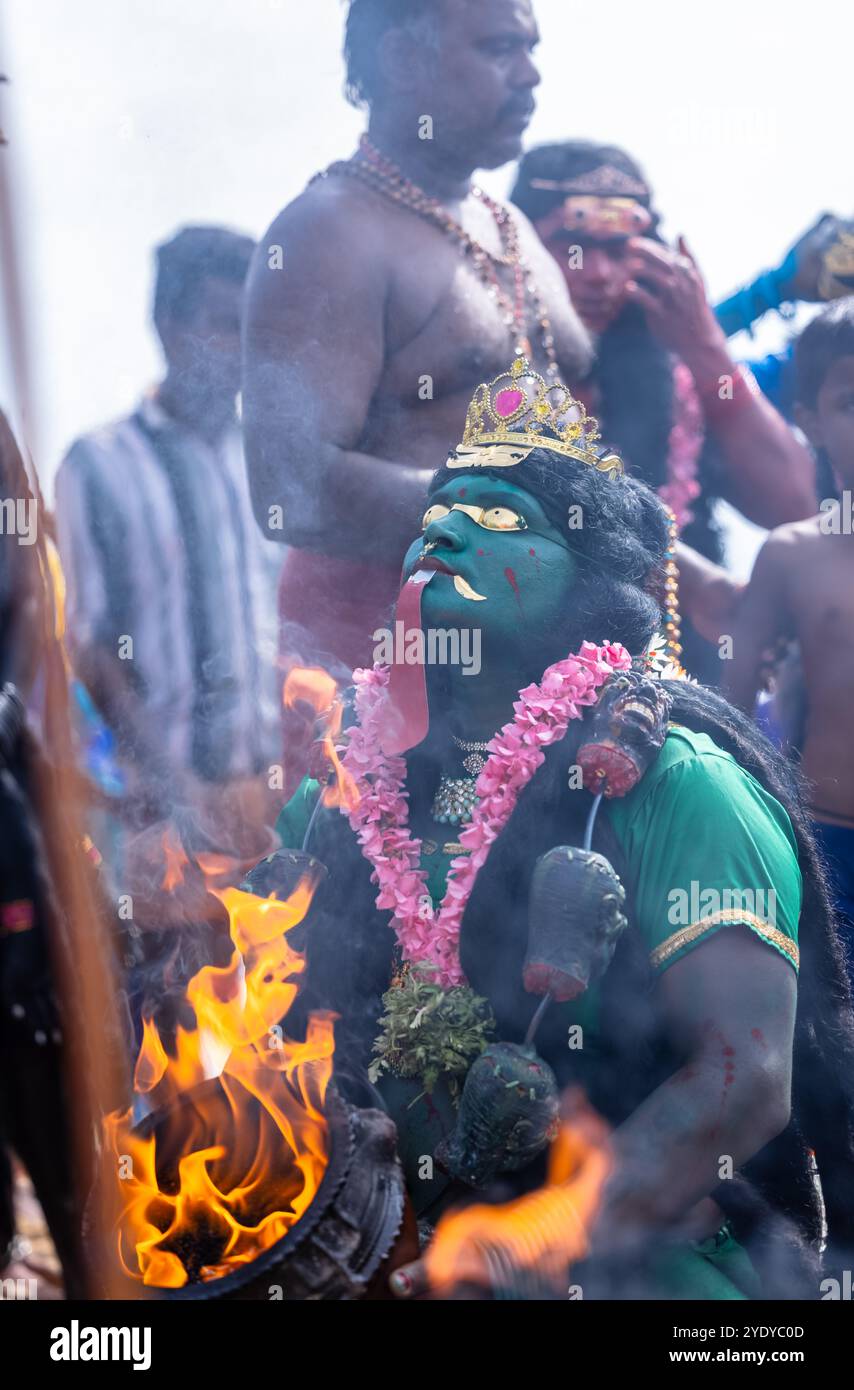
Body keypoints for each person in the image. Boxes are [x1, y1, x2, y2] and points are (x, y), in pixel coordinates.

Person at [271, 357, 854, 1300]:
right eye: (436, 516)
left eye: (502, 520)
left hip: (639, 1254)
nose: (447, 533)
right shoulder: (339, 789)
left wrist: (537, 1240)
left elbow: (745, 1083)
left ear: (589, 579)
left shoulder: (672, 780)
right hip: (378, 1241)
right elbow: (264, 1016)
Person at [242, 0, 590, 683]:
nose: (530, 75)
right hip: (389, 699)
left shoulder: (512, 227)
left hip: (534, 676)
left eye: (531, 49)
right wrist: (522, 515)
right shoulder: (329, 233)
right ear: (403, 59)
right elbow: (287, 484)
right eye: (497, 49)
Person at [510, 142, 818, 678]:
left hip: (671, 684)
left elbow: (794, 507)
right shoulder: (480, 371)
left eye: (619, 248)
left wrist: (704, 347)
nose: (600, 274)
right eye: (575, 246)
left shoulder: (678, 381)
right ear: (520, 249)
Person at [55, 226, 281, 833]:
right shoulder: (99, 464)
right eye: (218, 323)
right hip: (162, 811)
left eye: (249, 326)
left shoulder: (269, 459)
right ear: (167, 326)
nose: (237, 347)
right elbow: (94, 646)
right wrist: (175, 789)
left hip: (275, 799)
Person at [725, 299, 854, 982]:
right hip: (824, 848)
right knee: (827, 1047)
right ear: (809, 420)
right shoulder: (790, 558)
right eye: (851, 402)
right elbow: (730, 721)